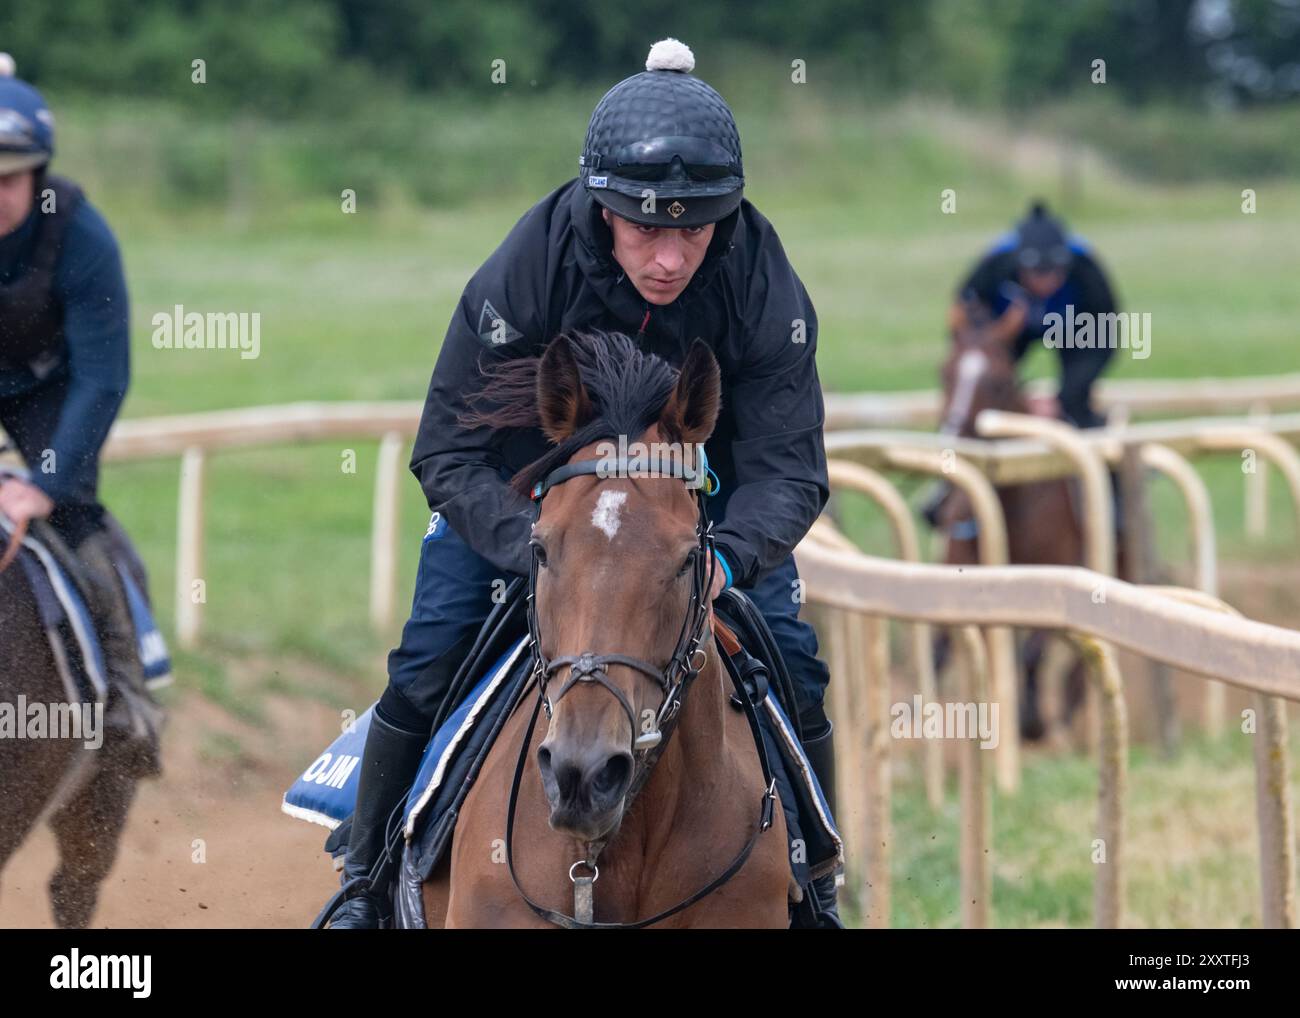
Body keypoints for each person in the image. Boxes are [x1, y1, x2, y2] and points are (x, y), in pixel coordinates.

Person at [329, 38, 840, 928]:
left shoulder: (762, 278)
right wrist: (537, 549)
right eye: (647, 229)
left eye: (694, 228)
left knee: (792, 658)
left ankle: (818, 889)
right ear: (602, 209)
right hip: (535, 507)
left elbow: (790, 467)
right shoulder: (530, 264)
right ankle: (364, 886)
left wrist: (730, 557)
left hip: (700, 518)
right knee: (428, 657)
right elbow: (446, 450)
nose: (671, 258)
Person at [0, 55, 161, 776]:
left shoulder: (81, 235)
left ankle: (128, 699)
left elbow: (104, 376)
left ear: (37, 176)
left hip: (52, 396)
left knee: (73, 517)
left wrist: (42, 484)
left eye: (7, 180)